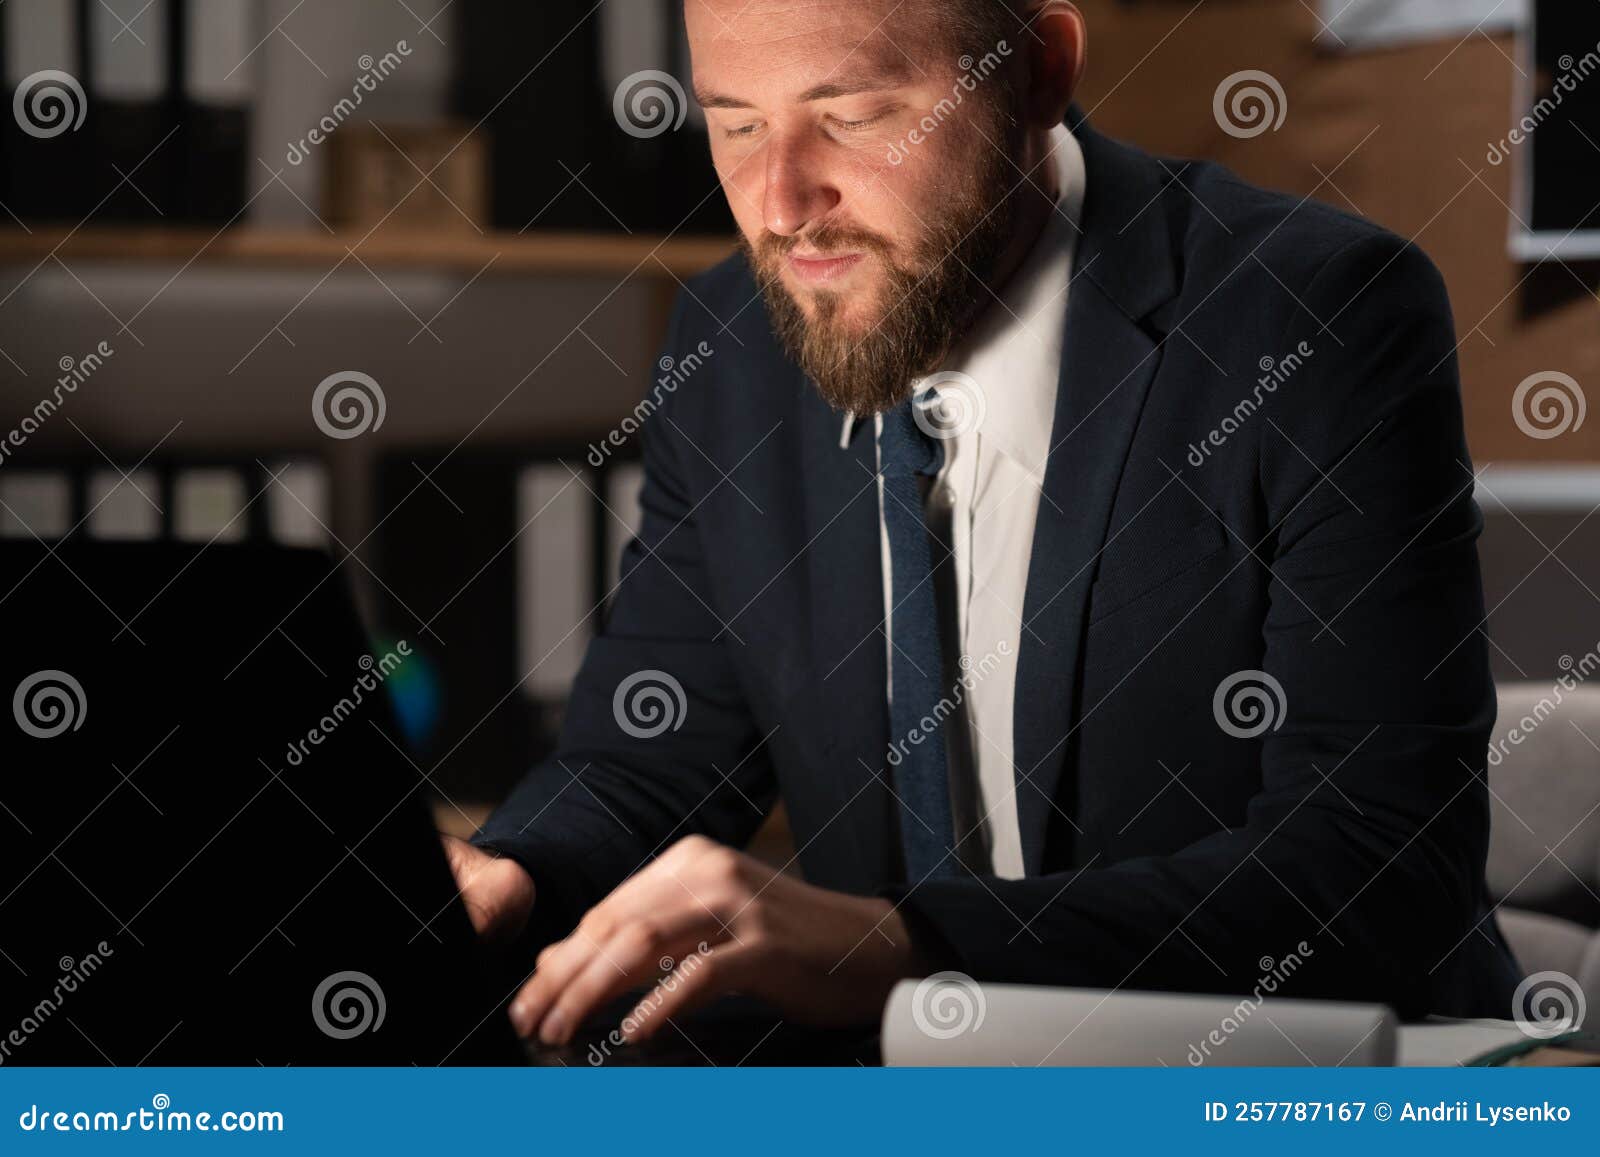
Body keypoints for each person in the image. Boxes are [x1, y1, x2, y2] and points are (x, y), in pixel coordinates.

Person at [442, 0, 1521, 1047]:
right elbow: (647, 758)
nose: (779, 202)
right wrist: (513, 871)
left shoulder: (1315, 315)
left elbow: (1378, 866)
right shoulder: (731, 340)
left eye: (856, 117)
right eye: (732, 124)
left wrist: (898, 945)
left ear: (1040, 69)